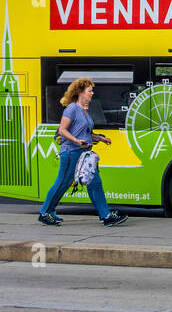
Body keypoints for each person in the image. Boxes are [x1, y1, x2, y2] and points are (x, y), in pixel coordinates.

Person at [38, 78, 127, 227]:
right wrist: (76, 141)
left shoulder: (85, 111)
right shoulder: (72, 109)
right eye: (89, 91)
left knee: (95, 183)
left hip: (85, 154)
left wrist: (99, 138)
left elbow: (85, 133)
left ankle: (106, 216)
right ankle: (45, 212)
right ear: (80, 92)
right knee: (63, 182)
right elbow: (62, 130)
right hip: (72, 152)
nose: (92, 93)